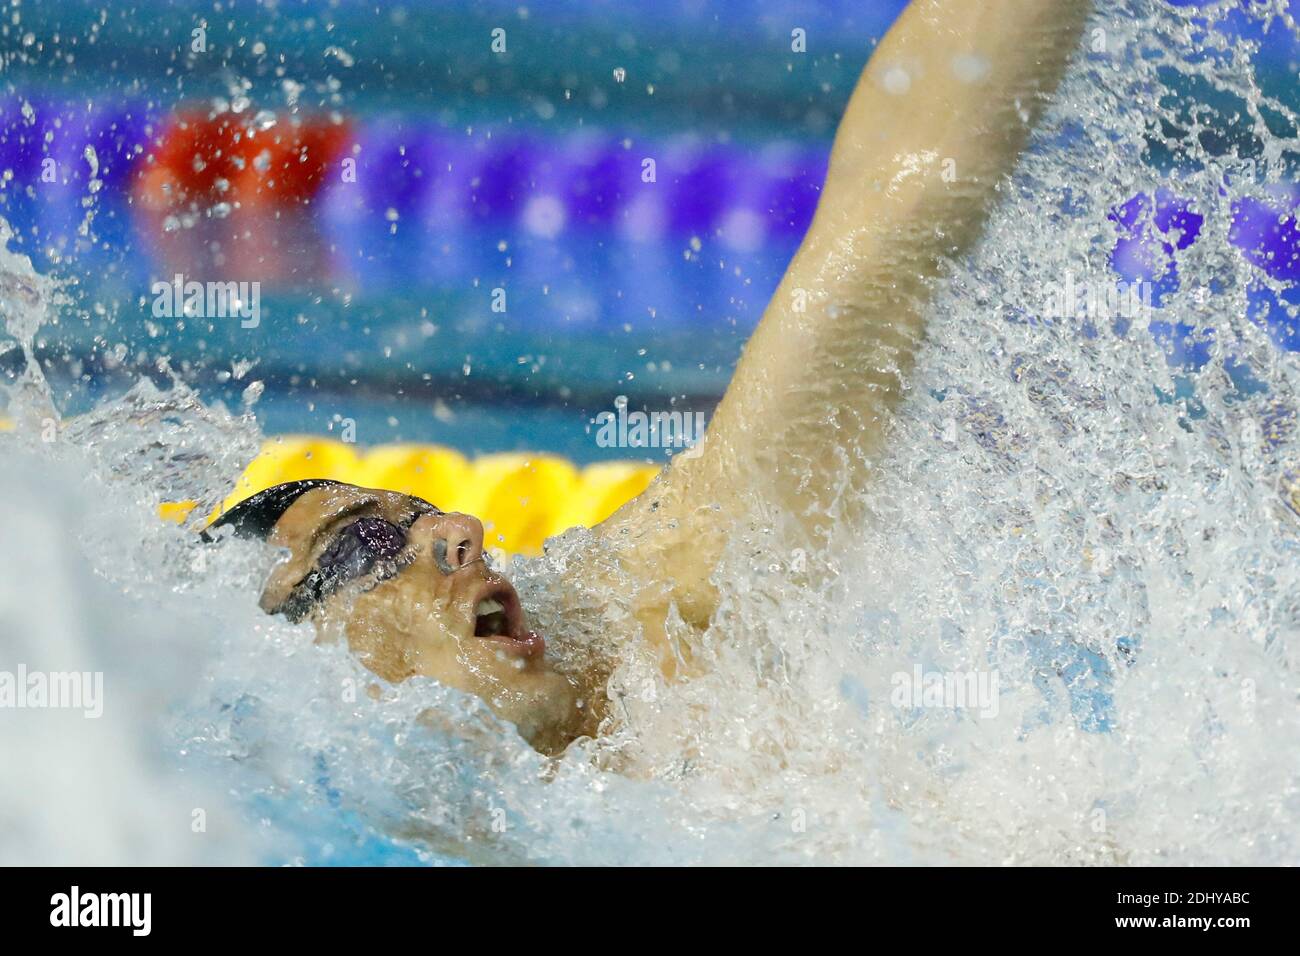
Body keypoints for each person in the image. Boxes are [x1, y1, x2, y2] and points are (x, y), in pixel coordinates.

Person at [207, 0, 1096, 755]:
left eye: (416, 511)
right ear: (311, 659)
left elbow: (902, 201)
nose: (460, 526)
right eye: (365, 546)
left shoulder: (664, 607)